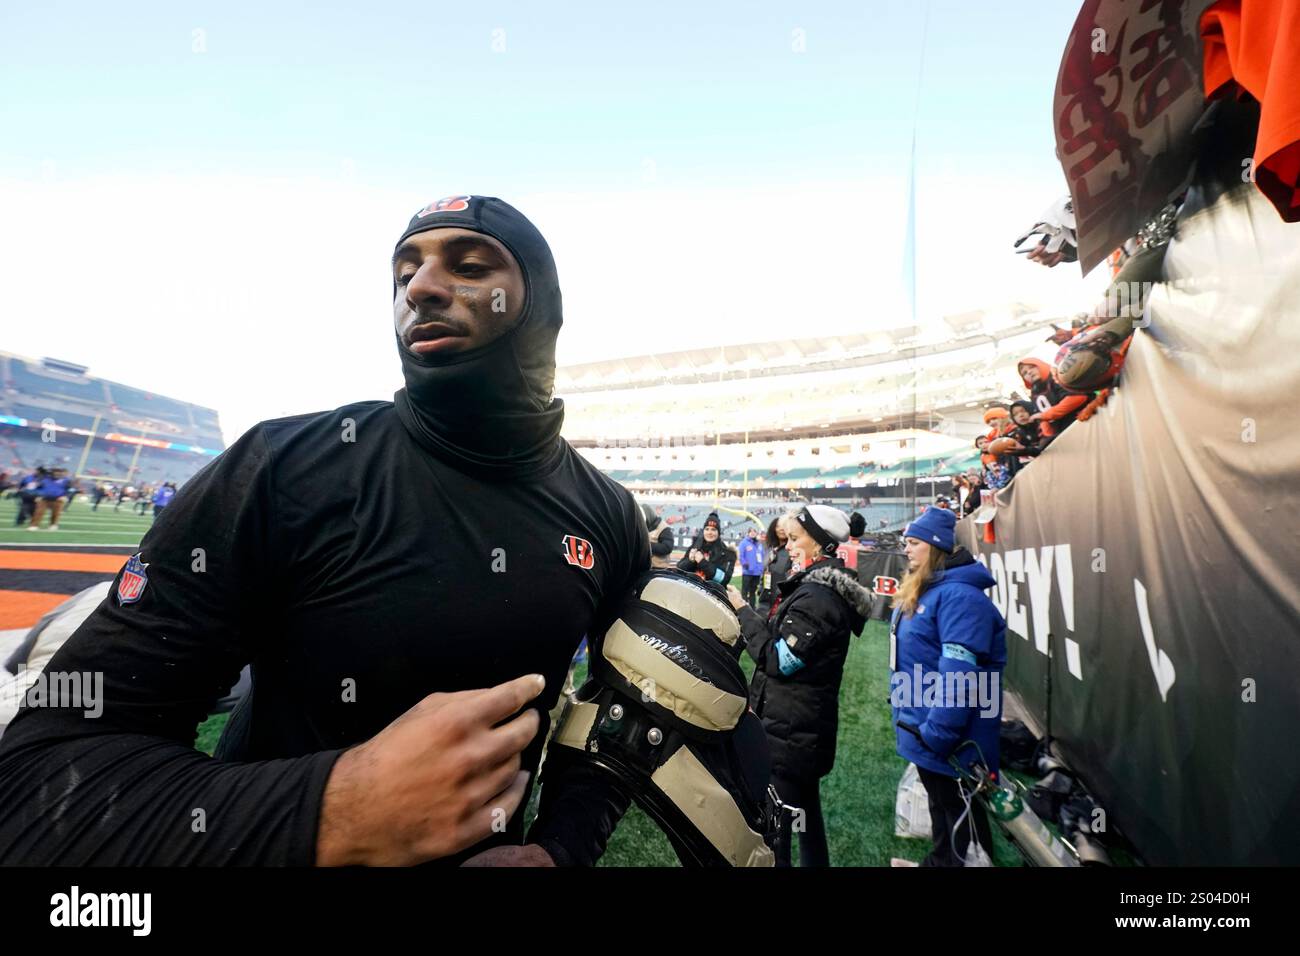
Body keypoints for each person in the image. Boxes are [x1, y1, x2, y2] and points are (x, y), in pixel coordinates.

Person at [0, 195, 651, 867]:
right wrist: (334, 809)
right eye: (404, 273)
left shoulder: (609, 513)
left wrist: (558, 849)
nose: (420, 287)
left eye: (468, 265)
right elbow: (38, 781)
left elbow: (621, 712)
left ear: (538, 300)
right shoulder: (284, 468)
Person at [726, 505, 870, 867]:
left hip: (791, 735)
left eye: (794, 538)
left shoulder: (818, 599)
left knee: (777, 833)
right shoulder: (816, 591)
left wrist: (743, 610)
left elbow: (778, 659)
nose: (788, 546)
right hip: (799, 733)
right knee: (805, 824)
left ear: (819, 543)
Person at [890, 507, 1007, 867]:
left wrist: (938, 732)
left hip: (951, 735)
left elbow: (960, 675)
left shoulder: (959, 598)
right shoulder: (934, 589)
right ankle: (941, 861)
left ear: (935, 546)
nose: (906, 550)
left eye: (913, 543)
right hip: (927, 726)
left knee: (960, 815)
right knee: (943, 807)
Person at [677, 511, 735, 586]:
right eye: (707, 529)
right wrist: (690, 561)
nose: (709, 532)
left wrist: (702, 562)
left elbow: (724, 579)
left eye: (713, 529)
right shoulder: (695, 546)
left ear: (719, 532)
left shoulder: (727, 553)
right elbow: (679, 570)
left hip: (712, 594)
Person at [758, 514, 791, 615]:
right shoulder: (770, 550)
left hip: (782, 604)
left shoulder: (794, 551)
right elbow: (765, 573)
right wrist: (761, 590)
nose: (781, 529)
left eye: (784, 526)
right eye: (777, 526)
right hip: (765, 603)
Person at [26, 467, 69, 531]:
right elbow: (36, 487)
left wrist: (65, 496)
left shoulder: (66, 480)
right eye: (55, 472)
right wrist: (38, 495)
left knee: (56, 513)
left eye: (59, 472)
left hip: (58, 499)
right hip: (44, 498)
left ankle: (53, 525)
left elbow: (69, 489)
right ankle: (34, 525)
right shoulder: (44, 479)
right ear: (51, 473)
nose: (57, 474)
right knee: (38, 512)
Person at [640, 502, 675, 568]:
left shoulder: (664, 528)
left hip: (658, 567)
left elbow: (667, 548)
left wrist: (646, 545)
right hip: (645, 566)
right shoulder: (644, 526)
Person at [737, 526, 765, 607]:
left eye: (754, 532)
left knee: (753, 591)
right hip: (747, 571)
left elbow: (762, 556)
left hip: (757, 572)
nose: (753, 533)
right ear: (748, 533)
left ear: (756, 533)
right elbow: (741, 555)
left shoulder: (759, 544)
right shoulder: (744, 543)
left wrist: (761, 567)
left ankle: (753, 607)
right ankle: (743, 607)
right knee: (745, 591)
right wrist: (745, 564)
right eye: (751, 532)